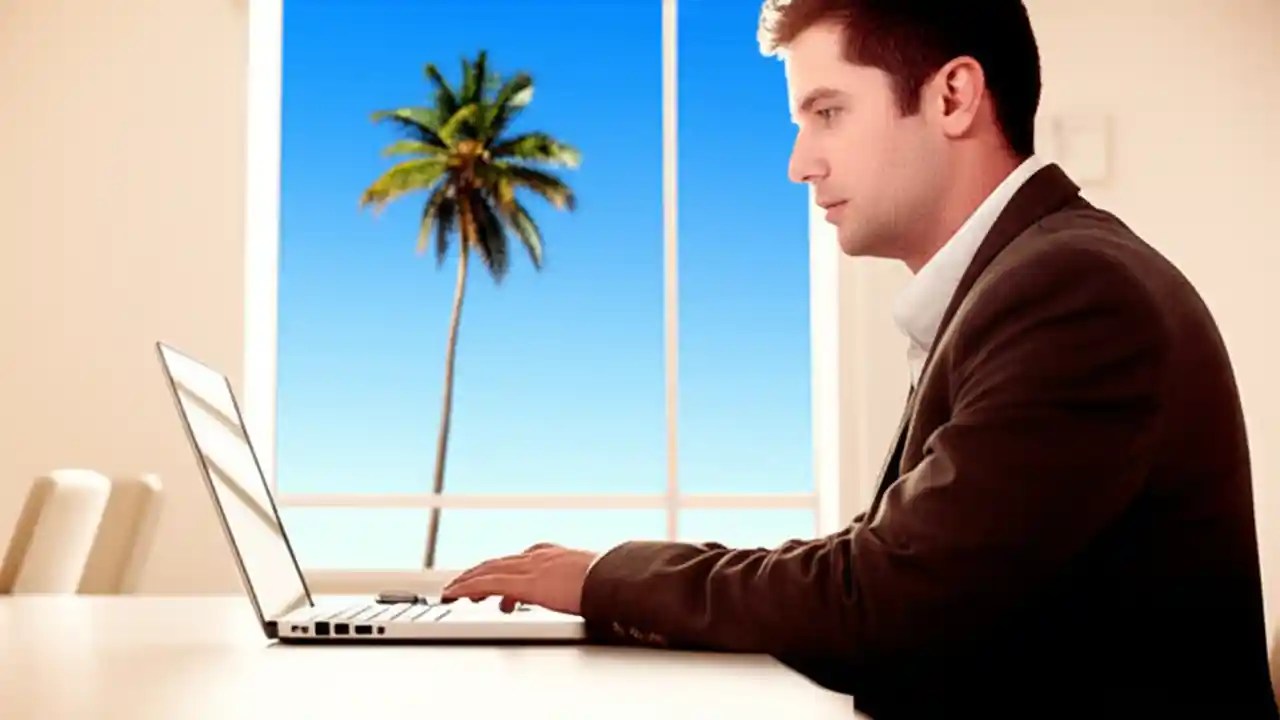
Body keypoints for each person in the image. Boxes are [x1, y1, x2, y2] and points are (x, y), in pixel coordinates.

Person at [442, 1, 1278, 715]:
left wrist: (603, 578)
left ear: (953, 96)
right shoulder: (1026, 280)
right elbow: (898, 573)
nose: (800, 162)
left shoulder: (1073, 293)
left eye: (828, 112)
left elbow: (879, 598)